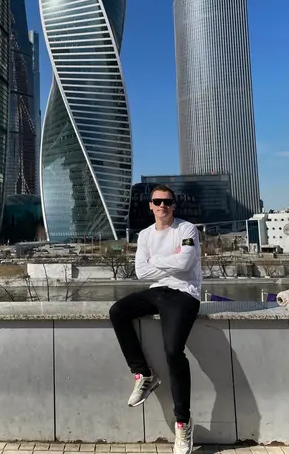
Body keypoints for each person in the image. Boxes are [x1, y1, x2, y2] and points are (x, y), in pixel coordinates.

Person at [109, 185, 201, 454]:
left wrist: (156, 261)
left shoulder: (187, 230)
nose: (162, 206)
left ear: (174, 205)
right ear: (150, 205)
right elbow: (141, 272)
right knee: (118, 312)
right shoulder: (145, 235)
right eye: (157, 201)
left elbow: (185, 264)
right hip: (157, 291)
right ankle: (144, 374)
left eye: (167, 202)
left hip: (185, 294)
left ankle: (182, 423)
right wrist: (171, 260)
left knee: (173, 351)